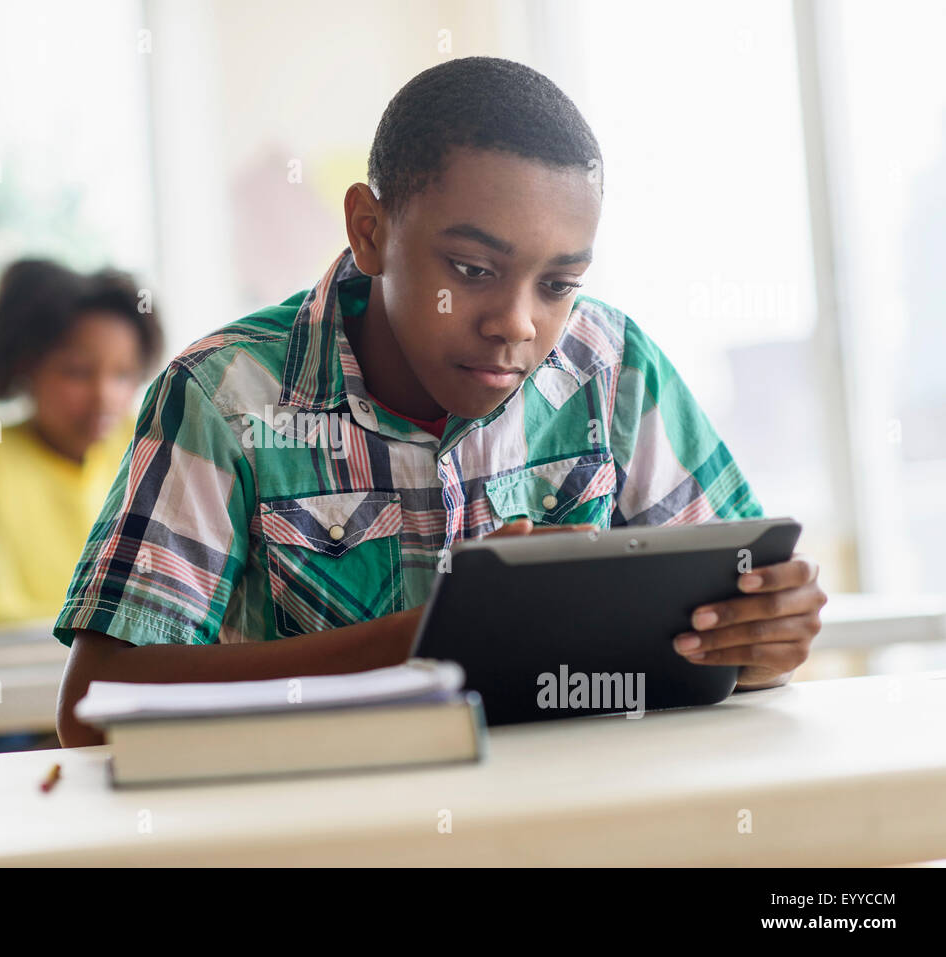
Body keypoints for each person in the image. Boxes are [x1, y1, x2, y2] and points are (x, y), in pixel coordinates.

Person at [52, 57, 827, 748]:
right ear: (369, 230)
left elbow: (739, 632)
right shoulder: (225, 398)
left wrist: (765, 641)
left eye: (558, 284)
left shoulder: (612, 369)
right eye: (473, 269)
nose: (517, 323)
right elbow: (93, 708)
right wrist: (431, 637)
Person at [0, 259, 161, 759]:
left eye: (123, 374)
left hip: (110, 695)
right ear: (26, 366)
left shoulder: (145, 441)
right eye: (77, 372)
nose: (104, 397)